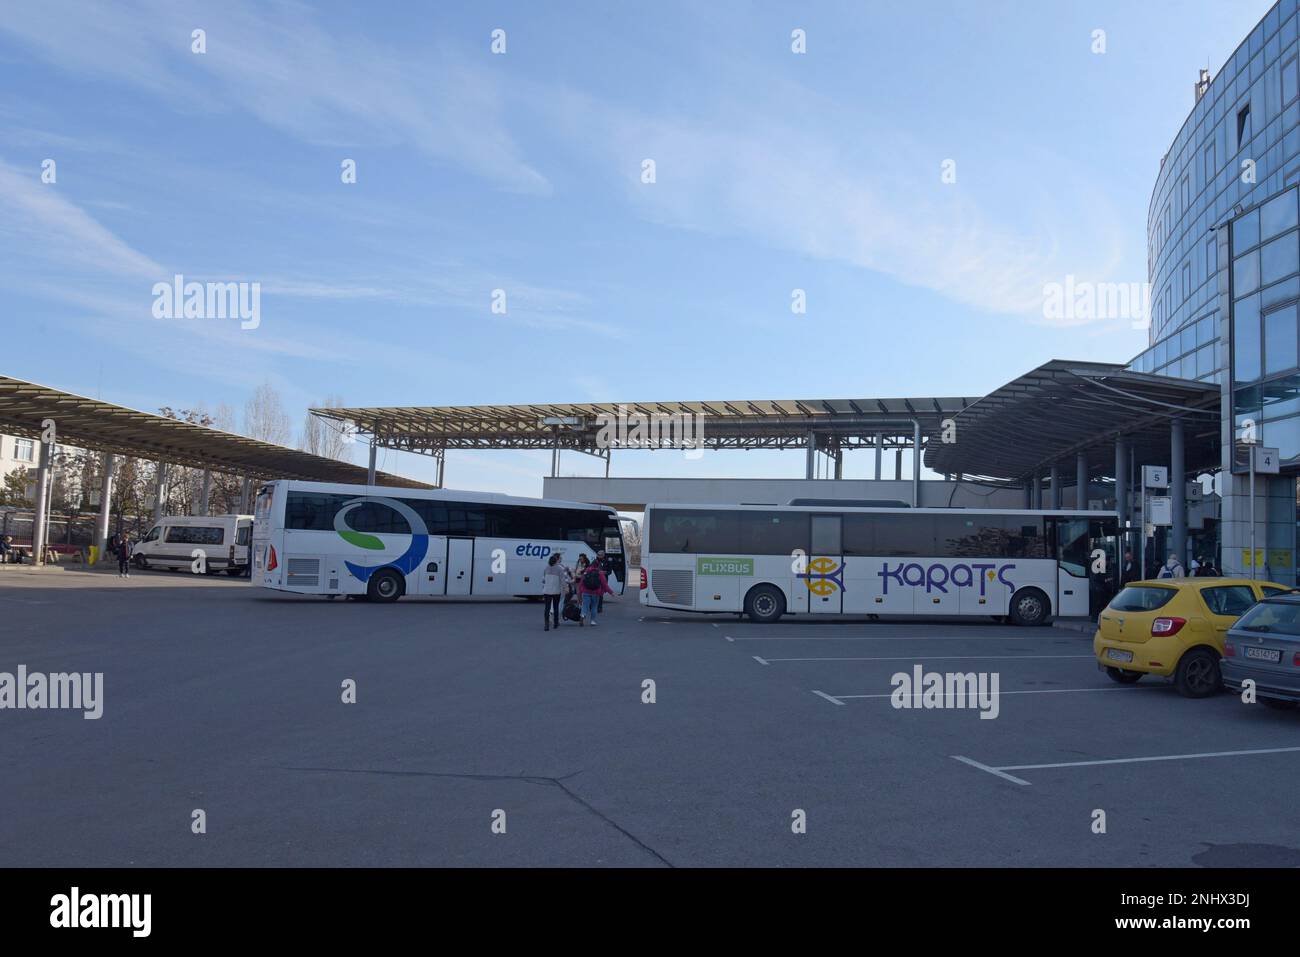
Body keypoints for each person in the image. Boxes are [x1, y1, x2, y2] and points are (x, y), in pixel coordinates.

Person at [576, 554, 615, 627]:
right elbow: (604, 584)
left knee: (585, 605)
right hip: (596, 592)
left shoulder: (586, 571)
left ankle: (583, 615)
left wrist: (580, 590)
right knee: (594, 606)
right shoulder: (600, 573)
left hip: (586, 591)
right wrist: (611, 592)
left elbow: (582, 581)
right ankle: (592, 621)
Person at [541, 553, 565, 631]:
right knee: (555, 607)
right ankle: (555, 623)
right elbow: (562, 581)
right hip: (556, 591)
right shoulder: (559, 569)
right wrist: (565, 588)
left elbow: (543, 580)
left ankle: (546, 625)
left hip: (547, 590)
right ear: (556, 561)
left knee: (547, 608)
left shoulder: (546, 568)